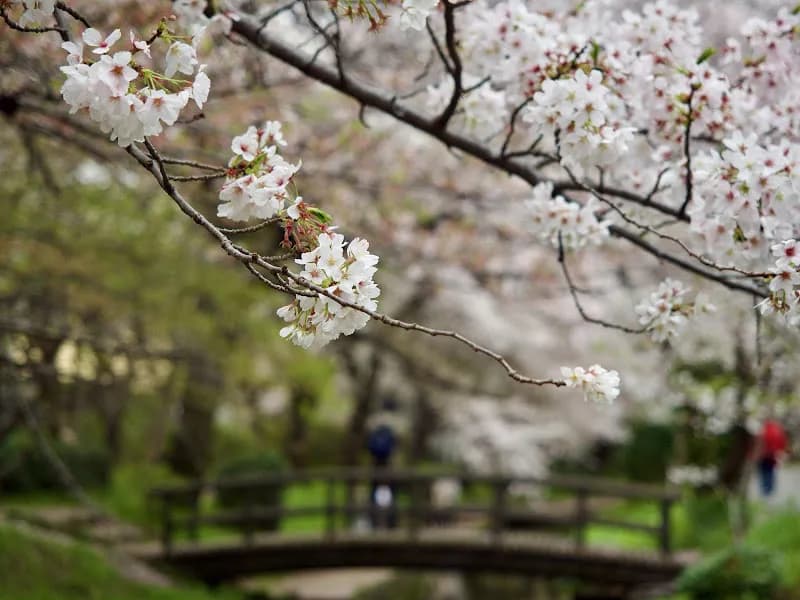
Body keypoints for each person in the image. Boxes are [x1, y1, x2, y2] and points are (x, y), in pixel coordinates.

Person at [757, 419, 788, 497]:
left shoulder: (762, 430)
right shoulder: (777, 430)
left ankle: (765, 489)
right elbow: (782, 442)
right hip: (772, 455)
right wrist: (780, 451)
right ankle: (769, 489)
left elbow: (757, 443)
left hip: (763, 455)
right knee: (770, 471)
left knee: (763, 472)